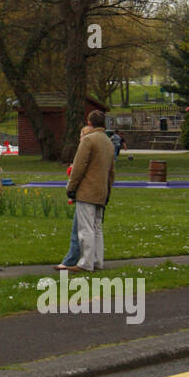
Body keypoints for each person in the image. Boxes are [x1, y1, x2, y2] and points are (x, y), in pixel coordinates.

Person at [65, 110, 115, 273]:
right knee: (97, 228)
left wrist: (71, 187)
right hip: (102, 190)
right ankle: (97, 261)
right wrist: (108, 190)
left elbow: (79, 167)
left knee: (85, 227)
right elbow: (111, 171)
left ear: (89, 123)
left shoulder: (88, 140)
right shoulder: (108, 142)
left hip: (87, 191)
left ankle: (85, 263)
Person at [56, 126, 91, 271]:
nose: (80, 138)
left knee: (79, 228)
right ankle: (86, 259)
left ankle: (72, 260)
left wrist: (70, 187)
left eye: (81, 135)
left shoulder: (86, 148)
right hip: (93, 194)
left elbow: (78, 170)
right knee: (89, 228)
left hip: (85, 194)